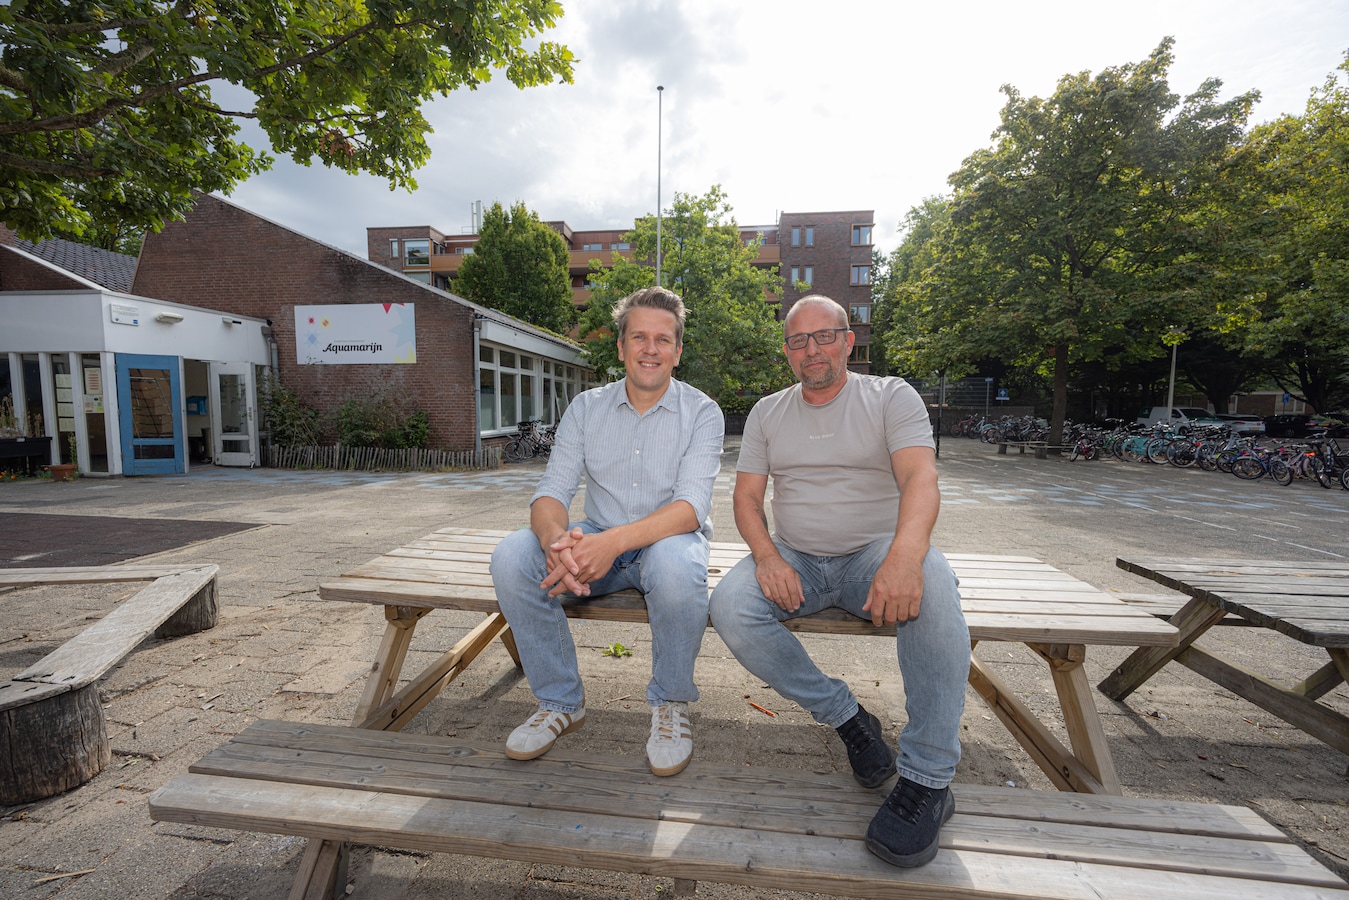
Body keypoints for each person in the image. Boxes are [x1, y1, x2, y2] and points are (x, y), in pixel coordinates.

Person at [709, 294, 969, 867]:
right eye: (799, 341)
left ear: (849, 340)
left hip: (870, 559)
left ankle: (928, 778)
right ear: (787, 352)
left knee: (934, 580)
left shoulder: (890, 397)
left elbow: (921, 478)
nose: (812, 350)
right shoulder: (767, 413)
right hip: (797, 559)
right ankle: (849, 718)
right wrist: (768, 557)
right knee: (729, 605)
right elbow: (747, 499)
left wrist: (904, 556)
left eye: (825, 336)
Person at [490, 286, 723, 777]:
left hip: (667, 541)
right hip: (594, 535)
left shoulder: (703, 412)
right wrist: (558, 545)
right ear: (621, 347)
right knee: (513, 556)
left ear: (678, 351)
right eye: (639, 336)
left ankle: (670, 706)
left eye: (663, 339)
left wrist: (611, 543)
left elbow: (690, 509)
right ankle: (560, 702)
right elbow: (551, 492)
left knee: (679, 567)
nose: (650, 348)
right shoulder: (585, 408)